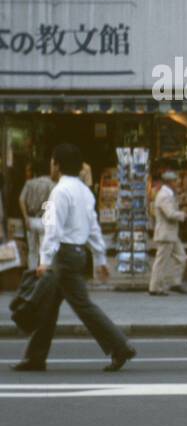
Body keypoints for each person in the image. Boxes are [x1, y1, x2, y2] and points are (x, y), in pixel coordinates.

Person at [11, 143, 136, 374]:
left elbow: (53, 229)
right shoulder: (84, 191)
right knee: (49, 306)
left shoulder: (60, 191)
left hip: (64, 256)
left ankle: (120, 346)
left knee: (83, 305)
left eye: (52, 161)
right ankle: (35, 357)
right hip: (77, 253)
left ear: (56, 165)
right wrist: (99, 258)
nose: (51, 165)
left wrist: (45, 259)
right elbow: (93, 227)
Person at [147, 169, 187, 296]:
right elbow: (170, 214)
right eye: (175, 181)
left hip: (171, 233)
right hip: (166, 233)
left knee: (181, 257)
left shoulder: (168, 194)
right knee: (161, 261)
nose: (177, 183)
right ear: (170, 182)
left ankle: (175, 282)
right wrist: (183, 215)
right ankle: (155, 287)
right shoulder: (164, 195)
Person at [19, 168, 54, 271]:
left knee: (32, 250)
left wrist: (25, 217)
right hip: (43, 220)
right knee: (44, 250)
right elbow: (51, 202)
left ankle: (31, 274)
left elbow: (21, 199)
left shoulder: (29, 183)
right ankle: (43, 275)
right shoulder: (50, 184)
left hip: (30, 219)